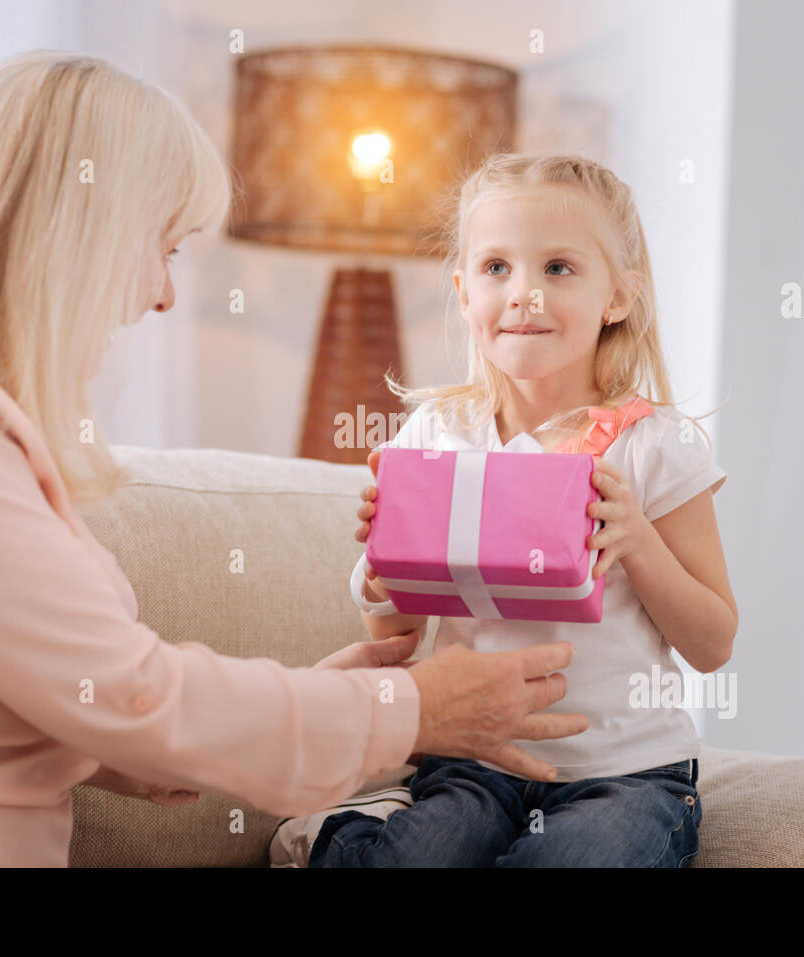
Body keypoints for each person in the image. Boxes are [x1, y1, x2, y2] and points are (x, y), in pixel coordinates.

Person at [0, 52, 588, 869]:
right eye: (166, 245)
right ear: (78, 233)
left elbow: (99, 713)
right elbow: (129, 697)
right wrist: (411, 709)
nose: (163, 293)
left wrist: (324, 699)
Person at [271, 152, 737, 867]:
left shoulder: (653, 445)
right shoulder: (437, 435)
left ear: (619, 296)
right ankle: (339, 834)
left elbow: (712, 643)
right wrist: (383, 565)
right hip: (472, 764)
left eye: (558, 268)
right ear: (463, 292)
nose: (524, 294)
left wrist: (638, 541)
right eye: (496, 268)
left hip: (623, 776)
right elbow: (395, 633)